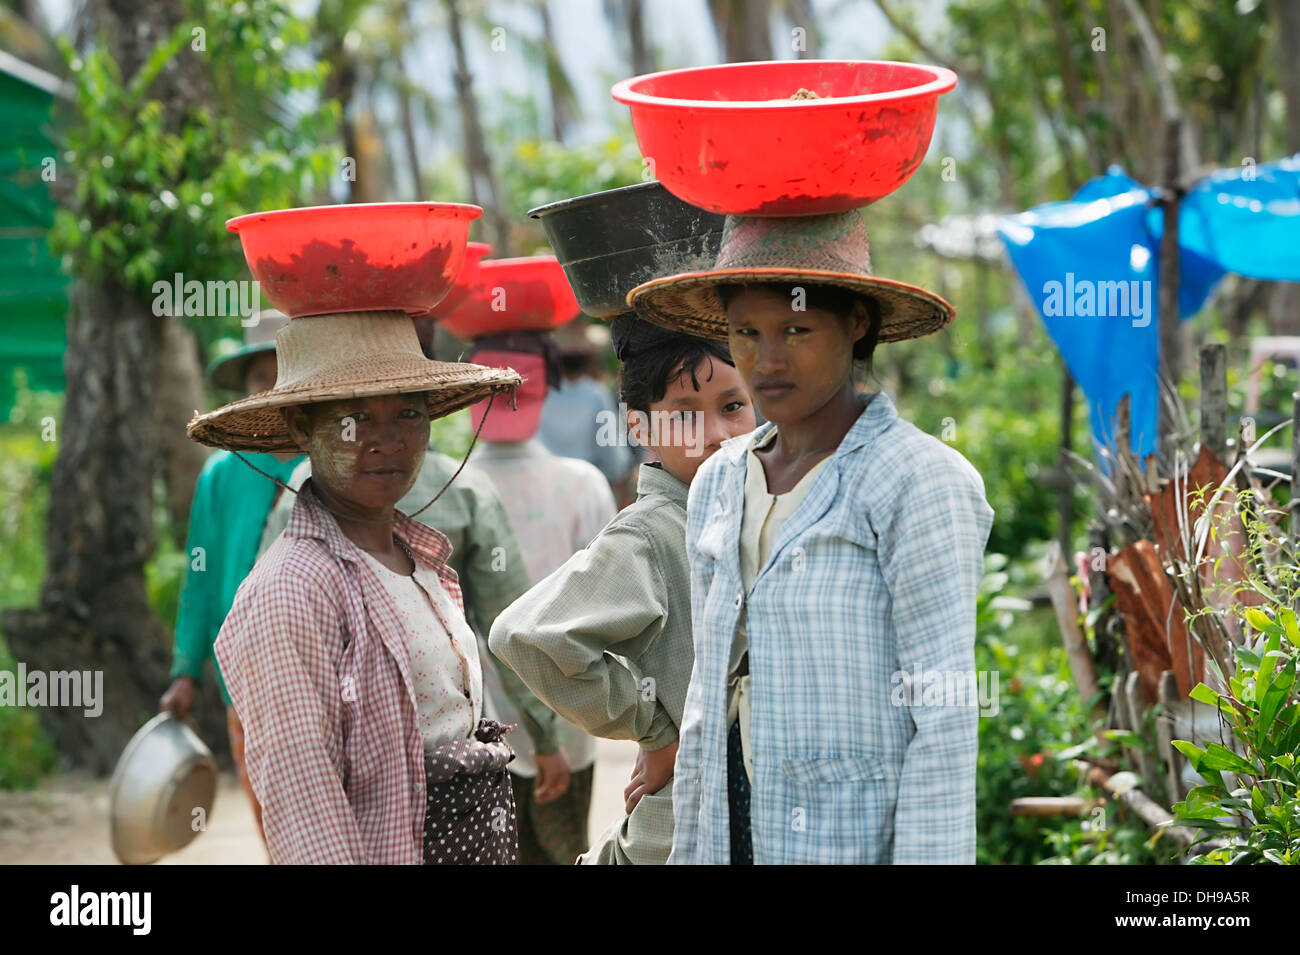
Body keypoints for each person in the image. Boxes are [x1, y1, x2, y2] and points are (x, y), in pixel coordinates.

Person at [629, 210, 995, 865]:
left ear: (856, 325)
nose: (767, 361)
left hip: (849, 834)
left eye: (796, 330)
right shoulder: (719, 481)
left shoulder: (916, 480)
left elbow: (943, 718)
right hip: (731, 821)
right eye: (747, 333)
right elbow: (708, 696)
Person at [186, 310, 522, 864]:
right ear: (301, 428)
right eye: (356, 417)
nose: (388, 440)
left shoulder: (415, 556)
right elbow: (306, 806)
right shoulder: (294, 589)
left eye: (408, 413)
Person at [490, 315, 755, 864]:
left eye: (733, 406)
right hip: (689, 830)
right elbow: (525, 635)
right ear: (639, 429)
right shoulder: (652, 533)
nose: (717, 434)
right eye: (683, 415)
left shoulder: (754, 512)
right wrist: (655, 732)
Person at [259, 442, 566, 808]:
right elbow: (508, 628)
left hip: (348, 756)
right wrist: (543, 734)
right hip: (447, 752)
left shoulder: (307, 484)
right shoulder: (464, 487)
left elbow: (273, 629)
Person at [465, 331, 615, 865]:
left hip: (471, 726)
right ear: (549, 388)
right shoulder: (583, 486)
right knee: (564, 852)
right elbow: (606, 611)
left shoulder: (447, 487)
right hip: (568, 713)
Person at [160, 311, 301, 848]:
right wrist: (185, 670)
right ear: (244, 388)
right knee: (270, 814)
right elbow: (200, 578)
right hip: (241, 672)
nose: (270, 390)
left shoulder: (333, 463)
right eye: (258, 378)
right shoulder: (221, 474)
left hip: (320, 665)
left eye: (282, 376)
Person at [538, 318, 635, 501]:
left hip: (543, 489)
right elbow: (614, 457)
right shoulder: (596, 395)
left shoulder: (541, 394)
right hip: (585, 491)